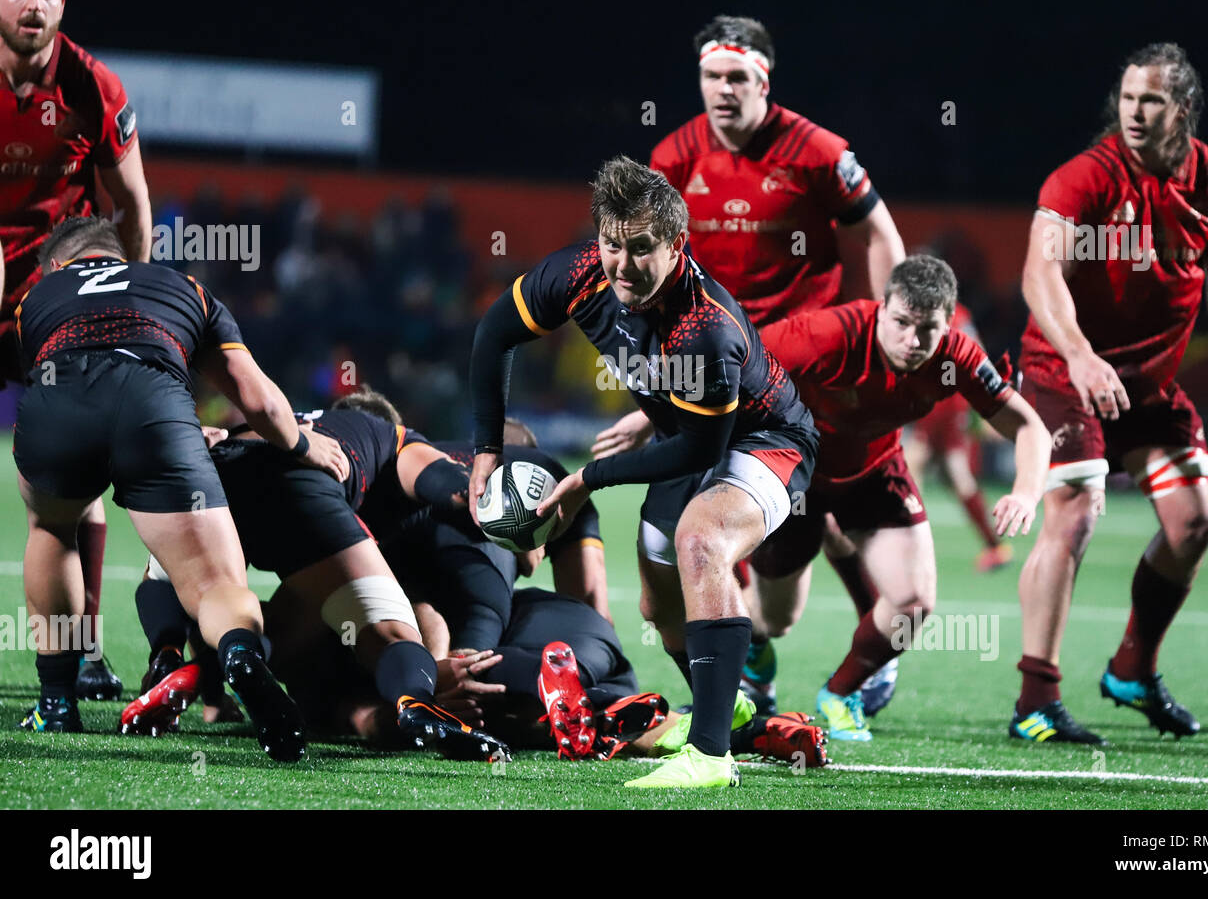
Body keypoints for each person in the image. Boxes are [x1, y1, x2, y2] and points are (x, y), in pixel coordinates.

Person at [468, 156, 818, 788]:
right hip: (687, 432)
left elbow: (698, 453)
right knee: (660, 603)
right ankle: (728, 704)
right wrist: (486, 450)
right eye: (611, 245)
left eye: (641, 248)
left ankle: (711, 756)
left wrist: (584, 482)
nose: (622, 264)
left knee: (700, 540)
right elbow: (494, 335)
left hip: (768, 440)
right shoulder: (577, 273)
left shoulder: (706, 329)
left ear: (676, 245)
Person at [595, 13, 908, 712]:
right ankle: (747, 646)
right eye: (711, 76)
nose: (723, 90)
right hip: (716, 366)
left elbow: (882, 239)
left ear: (765, 80)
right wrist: (655, 391)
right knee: (736, 535)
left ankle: (869, 644)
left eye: (738, 77)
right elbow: (645, 270)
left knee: (827, 501)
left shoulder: (819, 151)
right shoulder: (674, 155)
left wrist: (874, 342)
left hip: (807, 369)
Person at [13, 216, 344, 762]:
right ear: (124, 259)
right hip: (153, 411)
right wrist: (304, 446)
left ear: (56, 265)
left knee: (52, 528)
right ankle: (238, 653)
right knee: (214, 584)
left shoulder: (36, 298)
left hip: (58, 412)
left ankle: (55, 703)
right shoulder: (182, 286)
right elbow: (256, 400)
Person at [1011, 42, 1208, 744]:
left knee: (1195, 523)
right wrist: (1082, 356)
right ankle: (1035, 700)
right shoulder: (1084, 179)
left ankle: (1132, 669)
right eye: (1126, 98)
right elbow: (1039, 275)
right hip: (1063, 374)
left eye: (1150, 100)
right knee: (1077, 508)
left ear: (1182, 109)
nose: (1135, 112)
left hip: (1147, 387)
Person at [754, 256, 1050, 741]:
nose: (913, 341)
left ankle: (841, 692)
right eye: (902, 323)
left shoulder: (957, 357)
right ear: (880, 310)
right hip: (797, 474)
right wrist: (653, 423)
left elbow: (1027, 426)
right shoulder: (827, 334)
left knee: (914, 604)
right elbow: (737, 359)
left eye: (928, 329)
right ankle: (754, 647)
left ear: (949, 322)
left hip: (875, 474)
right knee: (775, 619)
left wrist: (1026, 491)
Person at [128, 401, 511, 761]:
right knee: (389, 632)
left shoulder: (288, 420)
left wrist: (213, 696)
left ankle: (169, 655)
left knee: (185, 581)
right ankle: (415, 703)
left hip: (212, 469)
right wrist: (487, 506)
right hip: (297, 484)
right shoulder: (391, 437)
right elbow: (439, 478)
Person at [0, 0, 154, 701]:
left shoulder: (94, 87)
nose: (34, 3)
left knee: (65, 477)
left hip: (55, 300)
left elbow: (130, 205)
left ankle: (83, 649)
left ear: (64, 3)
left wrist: (127, 300)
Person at [904, 301, 1015, 574]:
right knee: (953, 474)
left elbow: (974, 354)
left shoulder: (932, 312)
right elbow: (979, 355)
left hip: (942, 400)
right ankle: (993, 545)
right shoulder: (958, 312)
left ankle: (911, 545)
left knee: (912, 465)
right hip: (948, 399)